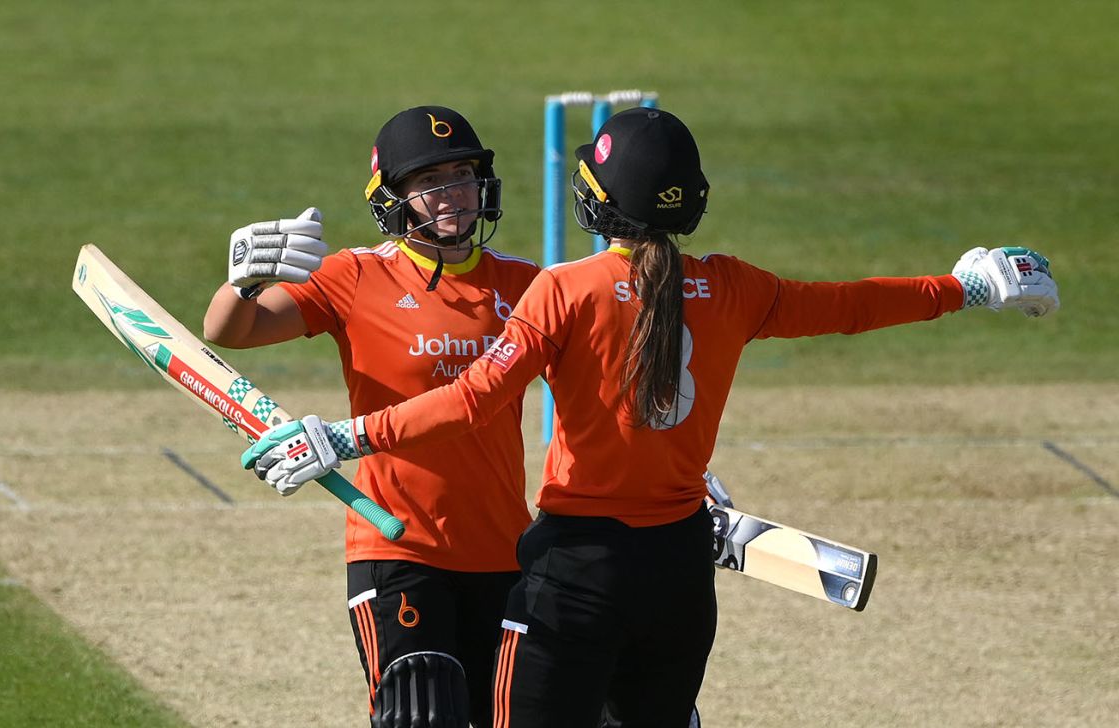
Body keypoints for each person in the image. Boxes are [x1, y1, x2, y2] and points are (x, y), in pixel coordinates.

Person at [242, 108, 1059, 727]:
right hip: (679, 570)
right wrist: (970, 287)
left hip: (574, 573)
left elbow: (474, 399)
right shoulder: (736, 288)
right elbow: (848, 307)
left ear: (597, 203)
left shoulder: (563, 288)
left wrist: (348, 436)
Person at [203, 106, 540, 727]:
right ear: (393, 198)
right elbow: (231, 332)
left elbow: (602, 385)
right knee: (420, 710)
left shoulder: (528, 286)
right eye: (429, 183)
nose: (451, 195)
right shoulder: (357, 276)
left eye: (462, 175)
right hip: (396, 545)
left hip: (504, 551)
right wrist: (244, 282)